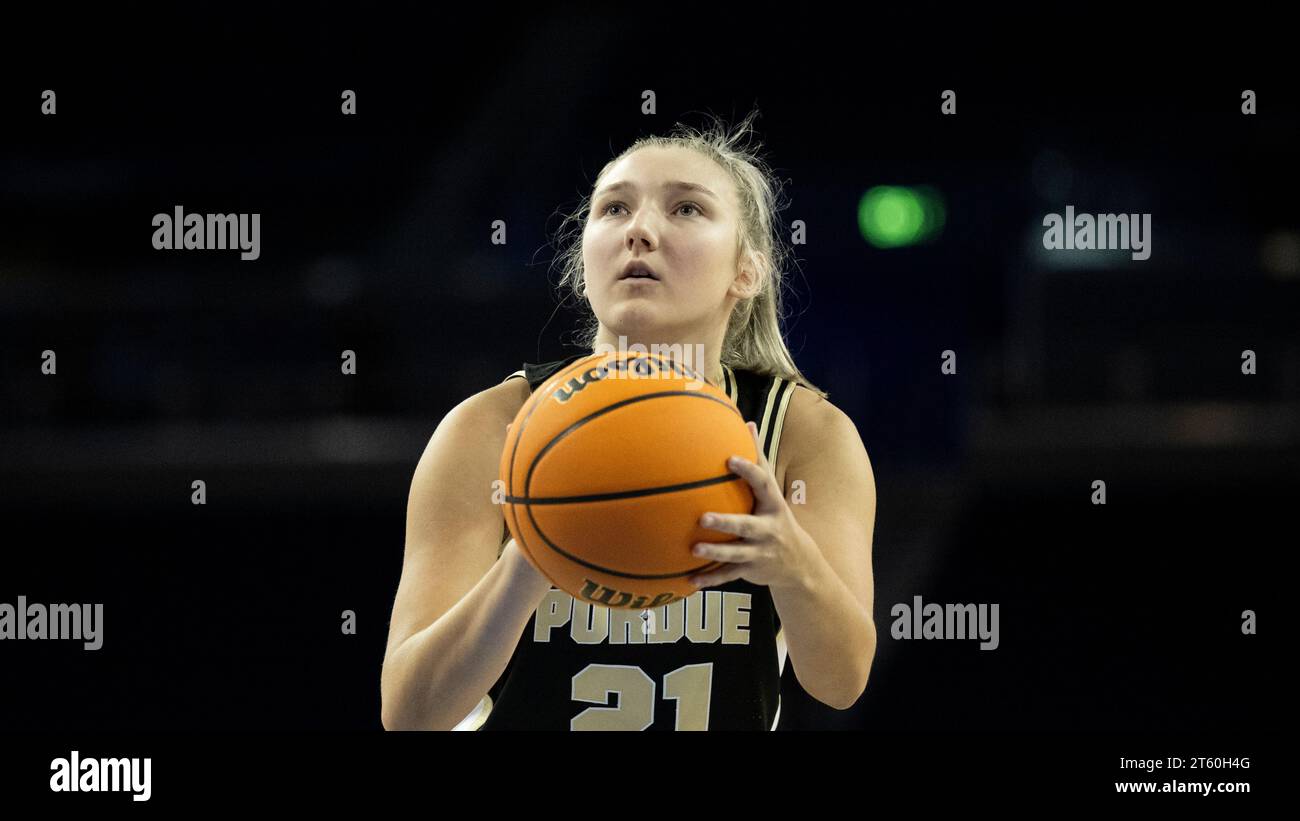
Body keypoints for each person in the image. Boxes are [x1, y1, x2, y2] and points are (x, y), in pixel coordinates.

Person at [381, 112, 877, 730]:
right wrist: (534, 553)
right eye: (614, 209)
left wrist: (791, 564)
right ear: (583, 258)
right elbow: (409, 714)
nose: (640, 230)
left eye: (687, 209)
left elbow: (840, 683)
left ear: (746, 270)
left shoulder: (803, 432)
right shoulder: (491, 427)